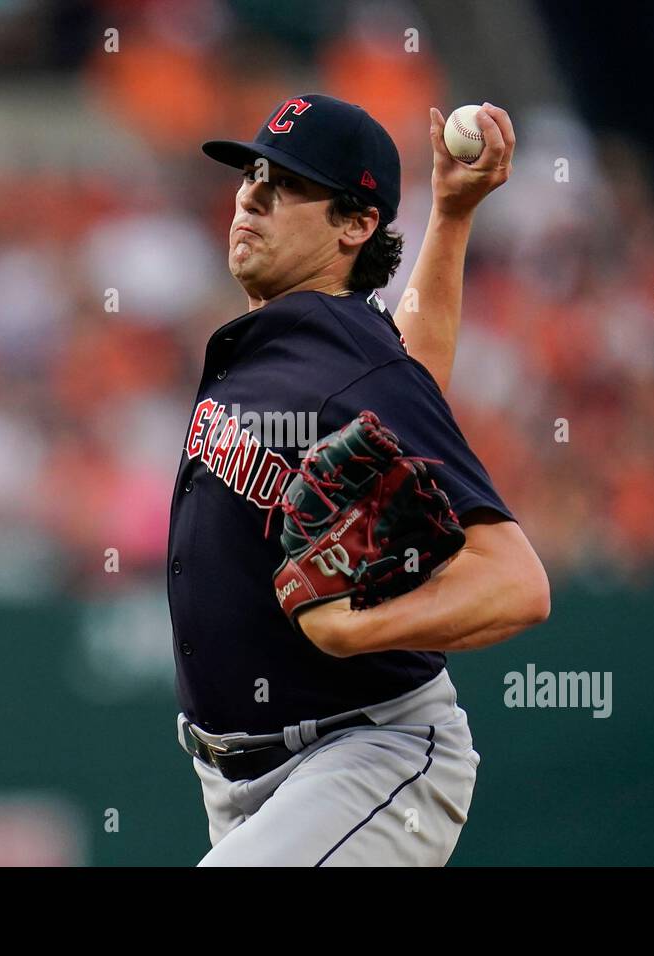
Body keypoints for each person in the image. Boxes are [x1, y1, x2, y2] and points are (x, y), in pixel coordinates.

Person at [168, 94, 550, 866]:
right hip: (249, 780)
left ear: (355, 224)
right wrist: (451, 217)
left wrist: (356, 629)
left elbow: (517, 584)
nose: (251, 194)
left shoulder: (345, 358)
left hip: (369, 753)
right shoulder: (323, 345)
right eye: (253, 176)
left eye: (286, 184)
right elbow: (416, 370)